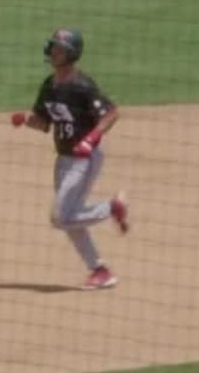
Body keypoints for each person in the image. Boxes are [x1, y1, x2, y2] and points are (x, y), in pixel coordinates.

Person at [11, 28, 130, 289]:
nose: (54, 52)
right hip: (63, 159)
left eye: (59, 49)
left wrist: (90, 140)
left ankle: (111, 208)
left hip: (84, 159)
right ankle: (100, 271)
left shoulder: (82, 85)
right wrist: (25, 120)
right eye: (53, 47)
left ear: (71, 54)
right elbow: (44, 123)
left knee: (60, 217)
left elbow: (111, 114)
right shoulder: (49, 85)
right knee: (70, 218)